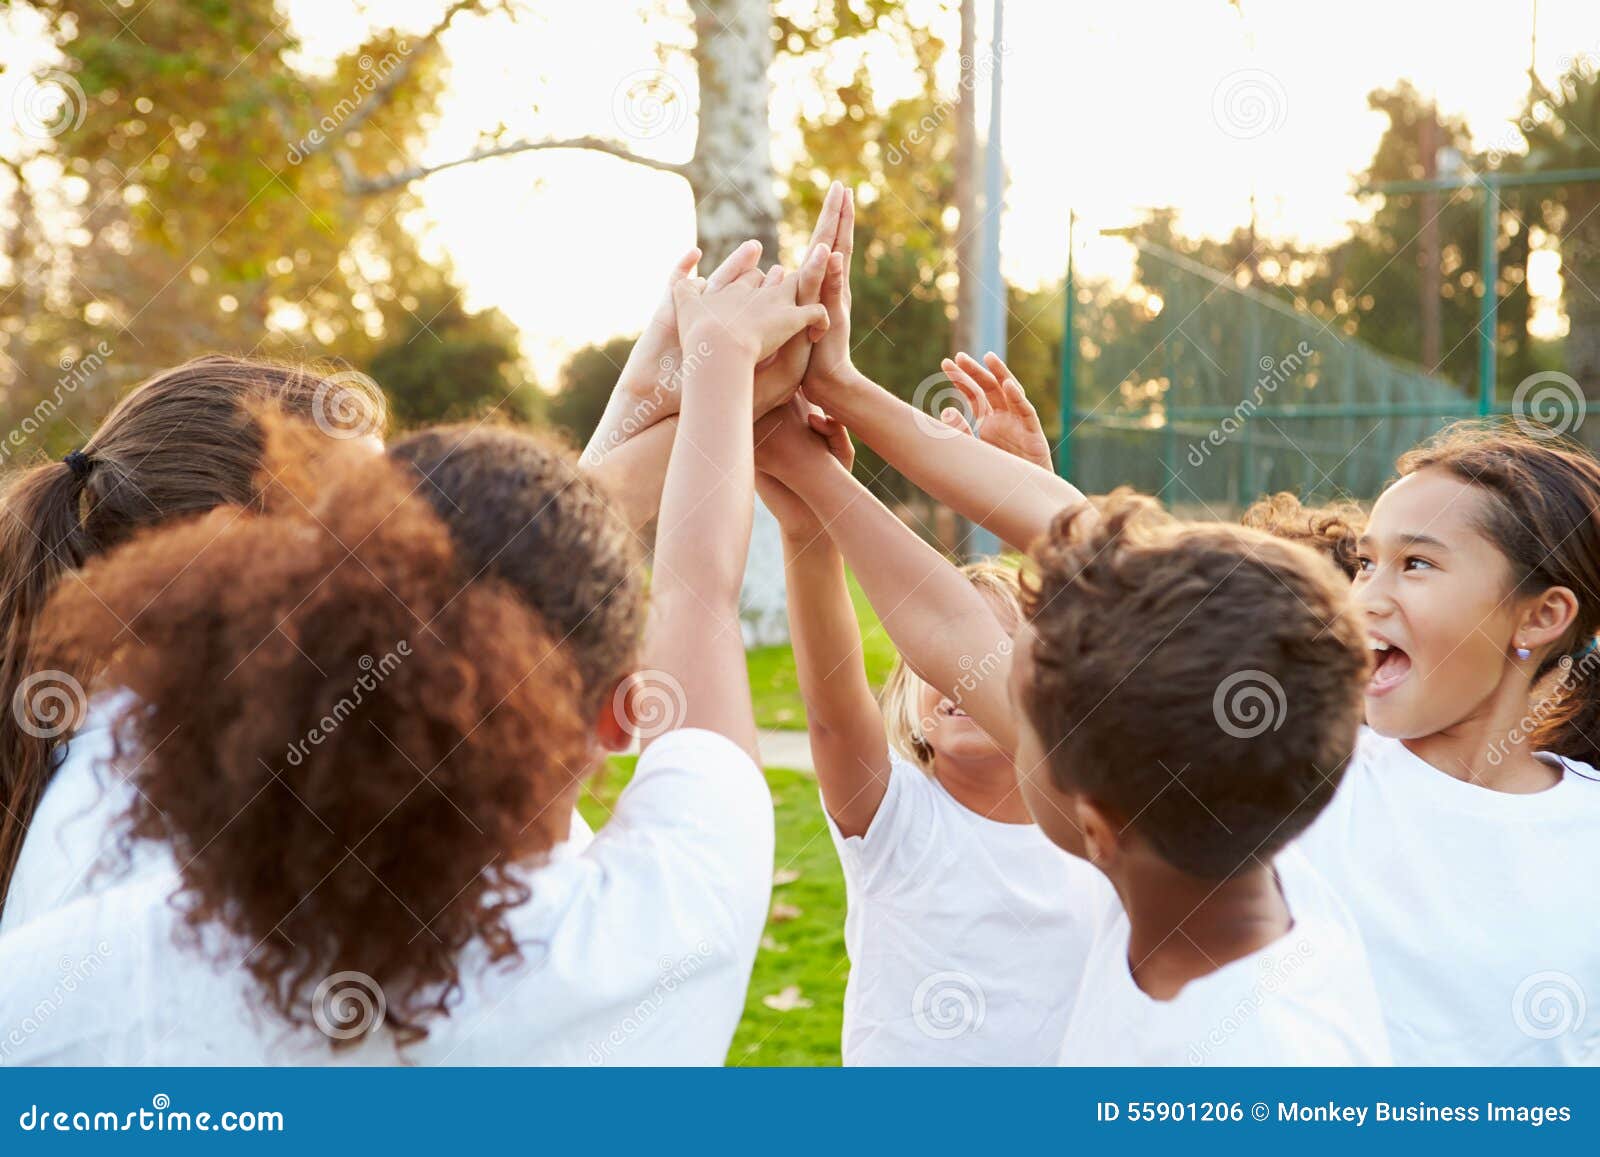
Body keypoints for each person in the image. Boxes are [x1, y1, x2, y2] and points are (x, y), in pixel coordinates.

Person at [0, 253, 828, 1064]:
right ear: (233, 558)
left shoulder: (122, 843)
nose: (406, 563)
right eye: (371, 530)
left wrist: (675, 397)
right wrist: (718, 384)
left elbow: (498, 594)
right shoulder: (606, 939)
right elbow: (628, 594)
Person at [754, 397, 1104, 1065]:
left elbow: (1091, 635)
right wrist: (805, 528)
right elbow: (831, 708)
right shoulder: (893, 818)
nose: (964, 677)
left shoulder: (1102, 826)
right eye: (941, 663)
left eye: (996, 653)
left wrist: (1030, 494)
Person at [0, 355, 386, 928]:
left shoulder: (170, 767)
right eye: (362, 524)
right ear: (229, 545)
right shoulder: (158, 844)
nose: (398, 557)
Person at [1297, 422, 1600, 1065]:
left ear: (1542, 616)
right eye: (1366, 564)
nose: (1363, 599)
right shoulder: (1298, 777)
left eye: (1417, 564)